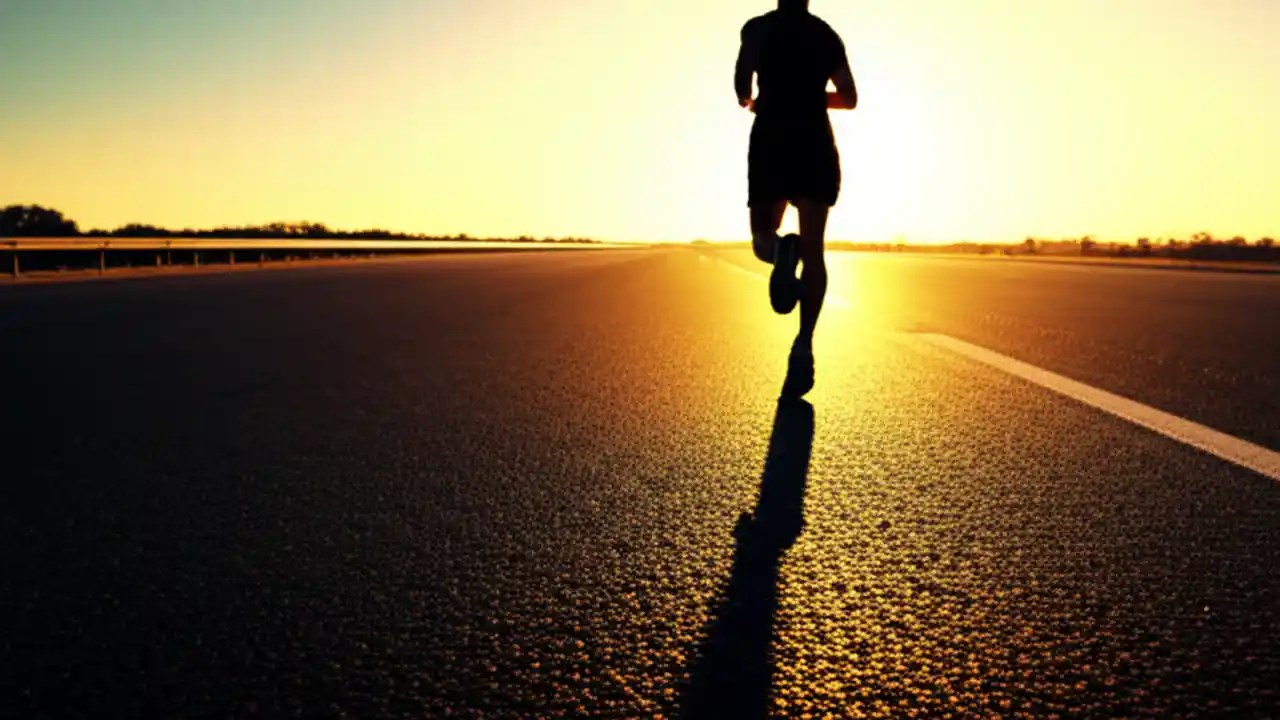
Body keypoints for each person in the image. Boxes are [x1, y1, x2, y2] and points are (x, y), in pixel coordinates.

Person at [736, 0, 857, 398]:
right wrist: (809, 96)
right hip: (816, 144)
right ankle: (803, 347)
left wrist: (763, 98)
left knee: (762, 236)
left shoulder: (755, 30)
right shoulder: (826, 35)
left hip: (771, 139)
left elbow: (742, 89)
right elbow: (849, 97)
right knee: (815, 253)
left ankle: (781, 251)